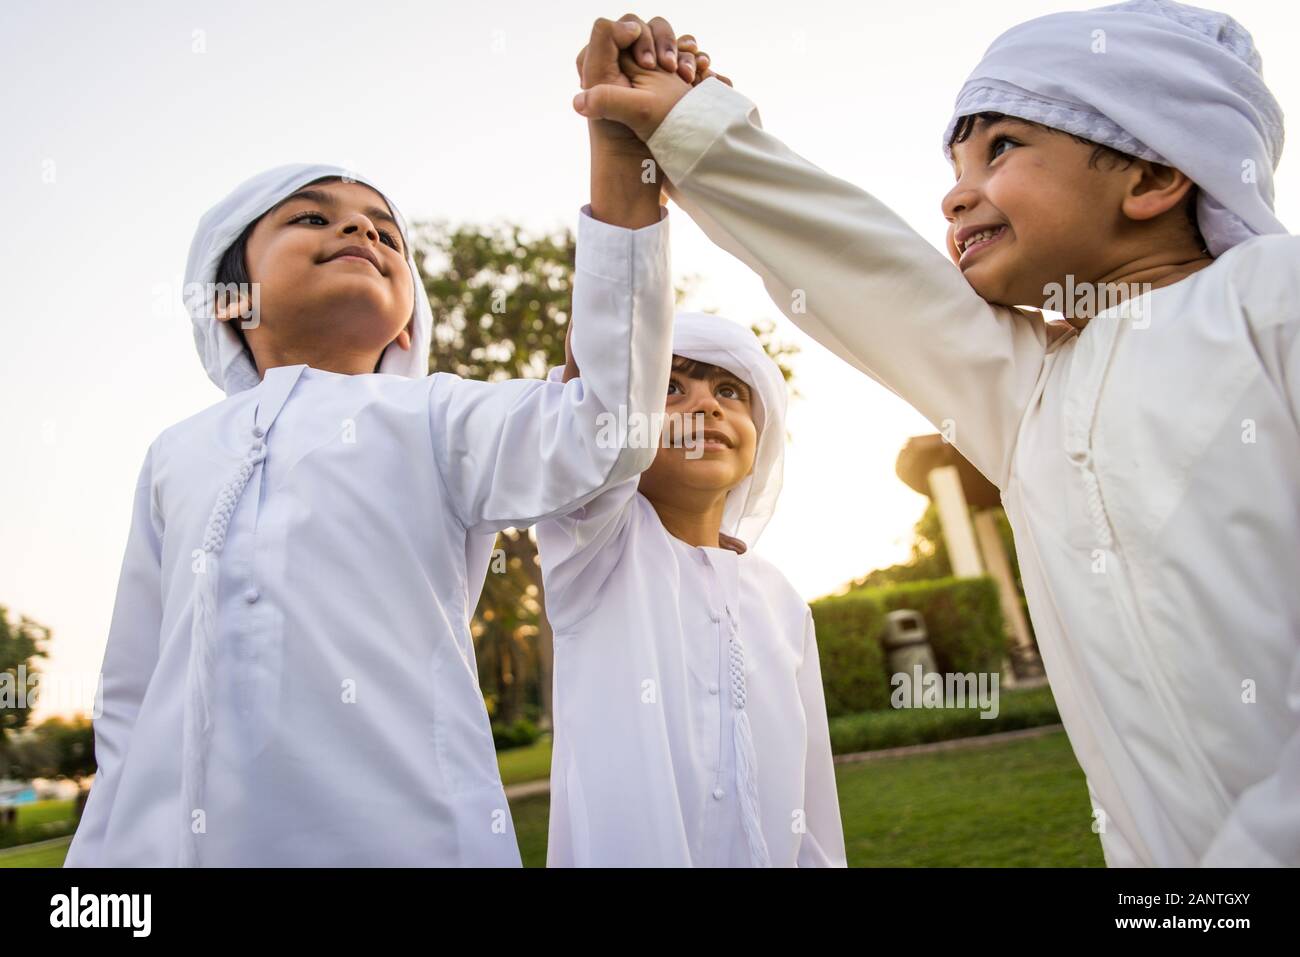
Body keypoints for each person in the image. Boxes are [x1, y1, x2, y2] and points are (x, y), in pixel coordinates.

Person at [573, 2, 1300, 866]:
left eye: (1001, 148)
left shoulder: (1272, 301)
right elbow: (860, 262)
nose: (956, 192)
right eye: (955, 163)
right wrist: (691, 127)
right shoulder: (1028, 389)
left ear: (1151, 178)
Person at [64, 153, 677, 866]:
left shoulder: (437, 416)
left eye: (387, 235)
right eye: (313, 217)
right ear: (229, 298)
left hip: (412, 836)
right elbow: (130, 687)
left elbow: (603, 428)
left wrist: (622, 172)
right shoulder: (174, 454)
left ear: (407, 324)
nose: (361, 229)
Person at [538, 311, 846, 867]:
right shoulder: (594, 551)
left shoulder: (781, 603)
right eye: (670, 388)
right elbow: (588, 384)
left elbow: (813, 798)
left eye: (730, 390)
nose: (707, 406)